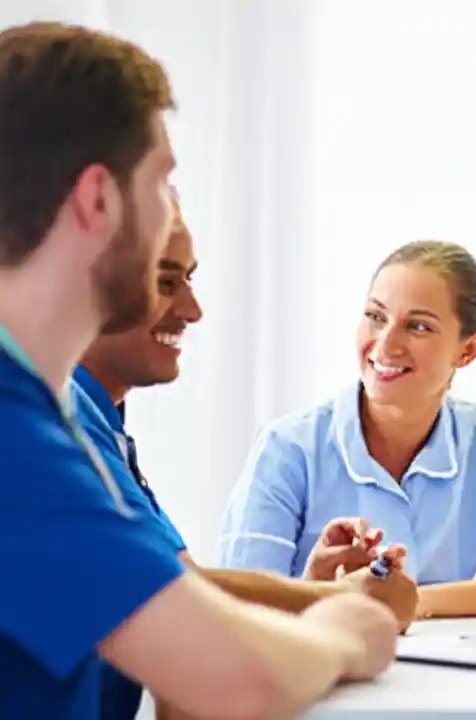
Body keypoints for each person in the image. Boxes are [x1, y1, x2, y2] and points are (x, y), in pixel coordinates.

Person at [0, 22, 396, 719]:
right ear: (97, 200)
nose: (170, 213)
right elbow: (236, 676)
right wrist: (343, 628)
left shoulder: (42, 410)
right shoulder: (12, 432)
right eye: (163, 180)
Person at [73, 195, 418, 719]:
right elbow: (179, 603)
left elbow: (173, 583)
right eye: (167, 282)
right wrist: (340, 612)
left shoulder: (101, 422)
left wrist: (317, 593)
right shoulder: (61, 419)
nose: (193, 310)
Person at [219, 240, 476, 618]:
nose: (386, 343)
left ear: (468, 350)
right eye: (375, 316)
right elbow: (230, 611)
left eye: (418, 326)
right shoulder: (288, 447)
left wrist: (413, 602)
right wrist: (318, 591)